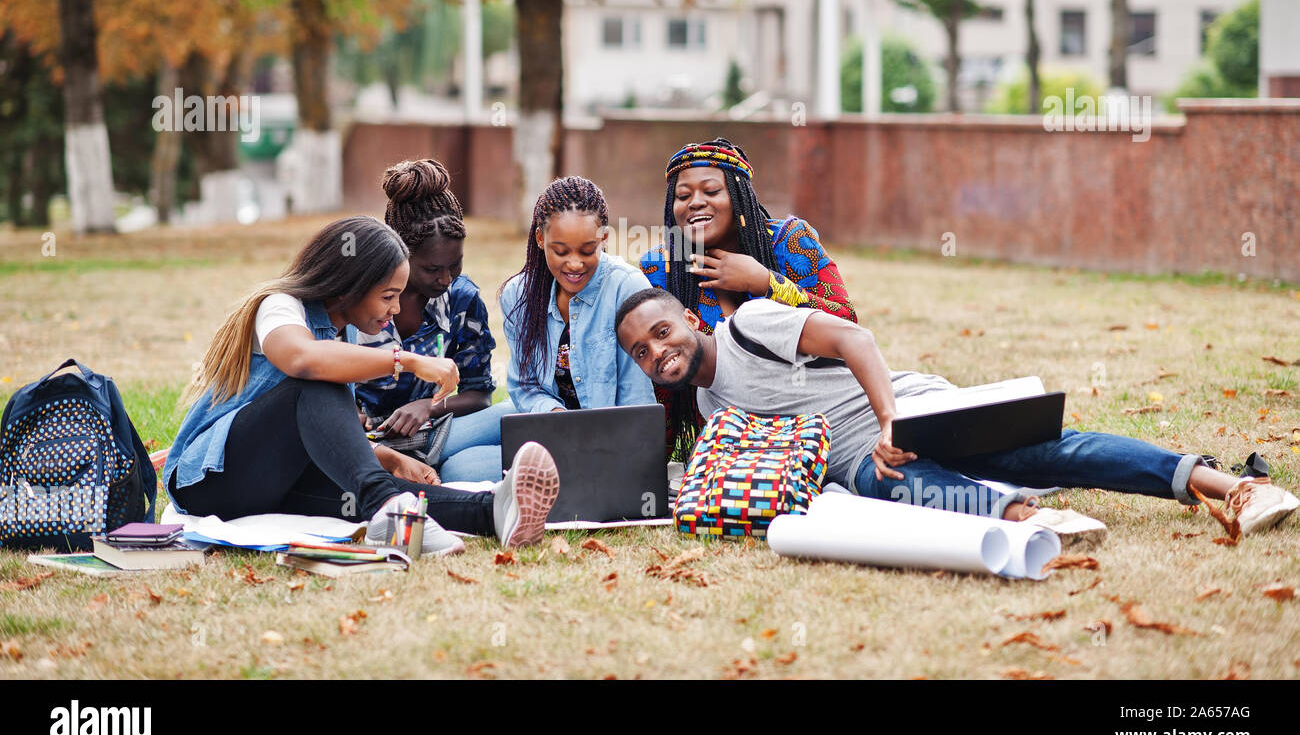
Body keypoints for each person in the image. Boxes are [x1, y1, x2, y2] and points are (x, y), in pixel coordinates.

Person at [614, 287, 1298, 535]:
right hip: (861, 463)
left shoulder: (749, 324)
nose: (657, 352)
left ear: (688, 318)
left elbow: (855, 338)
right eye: (642, 352)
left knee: (1055, 449)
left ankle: (1227, 486)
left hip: (911, 412)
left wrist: (891, 422)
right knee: (881, 481)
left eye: (662, 333)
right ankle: (1031, 520)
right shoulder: (707, 403)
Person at [165, 216, 560, 554]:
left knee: (367, 488)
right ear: (348, 287)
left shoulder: (343, 335)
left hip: (272, 482)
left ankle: (493, 512)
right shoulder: (281, 306)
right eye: (388, 296)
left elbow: (318, 431)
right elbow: (302, 361)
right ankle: (388, 508)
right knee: (324, 391)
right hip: (207, 482)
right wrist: (408, 361)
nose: (395, 308)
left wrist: (385, 456)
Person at [639, 137, 857, 454]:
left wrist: (767, 282)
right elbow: (661, 382)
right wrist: (649, 467)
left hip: (809, 420)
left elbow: (847, 323)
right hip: (722, 442)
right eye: (682, 196)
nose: (695, 203)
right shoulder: (662, 270)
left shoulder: (788, 241)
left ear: (740, 196)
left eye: (711, 191)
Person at [355, 158, 512, 482]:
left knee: (513, 414)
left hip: (442, 429)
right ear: (400, 252)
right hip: (371, 443)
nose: (446, 279)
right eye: (432, 269)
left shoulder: (462, 300)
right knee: (461, 469)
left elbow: (479, 394)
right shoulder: (360, 299)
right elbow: (323, 379)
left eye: (455, 265)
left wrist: (429, 406)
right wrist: (351, 416)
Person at [499, 176, 654, 414]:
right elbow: (524, 386)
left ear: (604, 238)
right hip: (542, 418)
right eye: (560, 251)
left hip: (605, 431)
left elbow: (636, 396)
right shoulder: (518, 295)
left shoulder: (627, 288)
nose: (574, 264)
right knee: (452, 448)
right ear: (540, 239)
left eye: (587, 250)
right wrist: (555, 416)